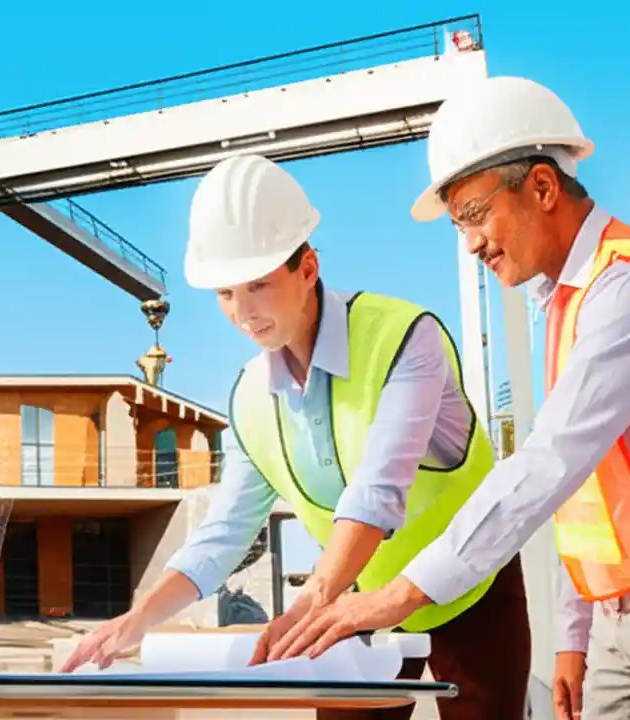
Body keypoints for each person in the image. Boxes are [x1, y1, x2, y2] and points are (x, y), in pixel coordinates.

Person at [59, 154, 531, 719]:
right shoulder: (250, 398)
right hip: (353, 594)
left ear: (307, 268)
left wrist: (312, 599)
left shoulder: (406, 337)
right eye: (225, 294)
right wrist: (139, 618)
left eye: (257, 286)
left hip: (468, 588)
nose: (242, 313)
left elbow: (379, 491)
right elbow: (225, 532)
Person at [271, 74, 630, 720]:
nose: (472, 243)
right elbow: (588, 486)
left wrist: (399, 593)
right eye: (458, 225)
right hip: (617, 614)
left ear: (542, 187)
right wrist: (573, 634)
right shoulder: (567, 301)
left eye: (475, 216)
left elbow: (549, 464)